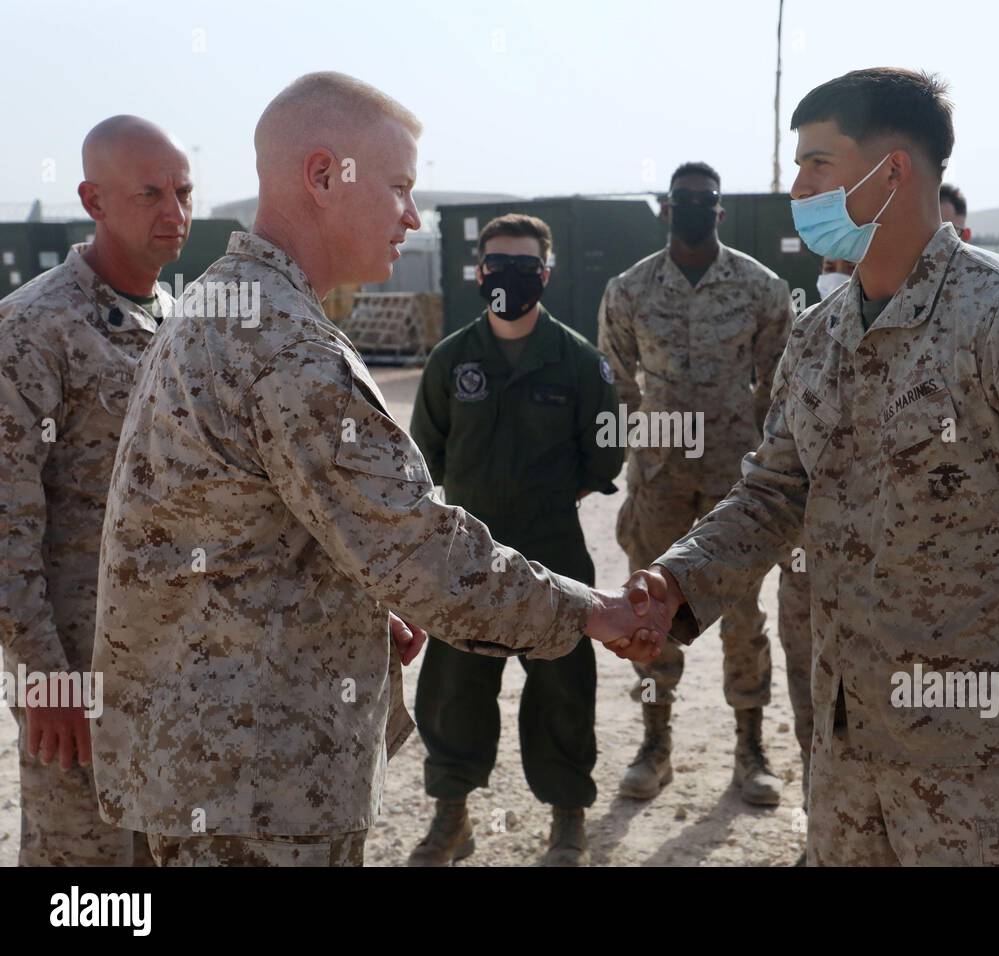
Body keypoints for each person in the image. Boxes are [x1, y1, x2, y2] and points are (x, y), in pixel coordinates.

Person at [90, 72, 665, 868]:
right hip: (261, 788)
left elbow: (252, 528)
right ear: (324, 177)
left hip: (219, 764)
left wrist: (348, 612)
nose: (412, 216)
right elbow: (420, 550)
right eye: (398, 187)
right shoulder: (285, 344)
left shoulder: (229, 306)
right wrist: (591, 612)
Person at [624, 68, 999, 866]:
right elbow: (776, 489)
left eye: (818, 163)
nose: (796, 185)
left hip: (984, 750)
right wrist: (678, 579)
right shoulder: (816, 339)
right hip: (847, 736)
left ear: (892, 172)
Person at [406, 213, 623, 866]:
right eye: (497, 266)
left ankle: (566, 822)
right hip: (465, 561)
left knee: (563, 688)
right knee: (452, 693)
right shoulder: (451, 361)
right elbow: (427, 455)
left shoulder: (581, 363)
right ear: (479, 273)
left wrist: (544, 502)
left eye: (524, 268)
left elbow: (604, 458)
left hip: (553, 556)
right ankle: (452, 820)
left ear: (545, 276)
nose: (509, 278)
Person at [0, 116, 188, 866]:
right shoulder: (31, 330)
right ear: (94, 200)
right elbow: (6, 523)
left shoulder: (179, 323)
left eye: (183, 190)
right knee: (85, 874)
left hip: (178, 666)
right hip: (78, 673)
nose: (173, 212)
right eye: (150, 193)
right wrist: (45, 678)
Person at [598, 162, 794, 805]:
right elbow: (618, 383)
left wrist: (757, 454)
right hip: (659, 481)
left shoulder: (761, 287)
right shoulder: (628, 290)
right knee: (649, 608)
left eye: (704, 200)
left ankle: (751, 748)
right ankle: (654, 746)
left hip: (734, 482)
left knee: (743, 613)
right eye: (682, 199)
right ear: (666, 208)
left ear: (720, 211)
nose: (693, 208)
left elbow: (777, 386)